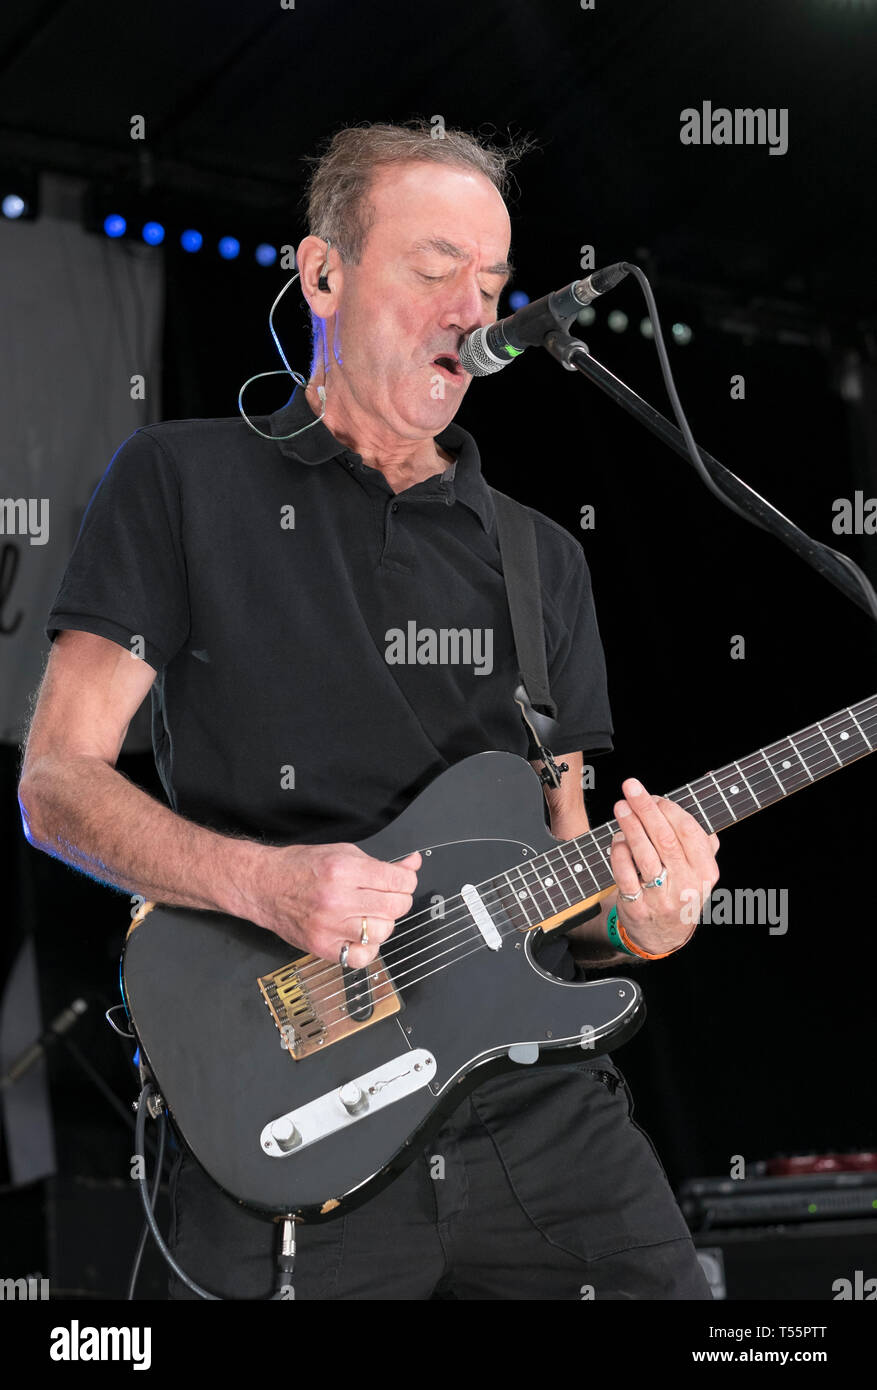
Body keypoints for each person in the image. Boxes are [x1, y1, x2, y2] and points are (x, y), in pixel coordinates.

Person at [18, 120, 720, 1300]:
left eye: (492, 284)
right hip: (293, 1093)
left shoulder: (541, 560)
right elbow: (55, 784)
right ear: (324, 273)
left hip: (534, 1116)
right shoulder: (180, 481)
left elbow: (568, 889)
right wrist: (262, 882)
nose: (470, 308)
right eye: (433, 266)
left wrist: (643, 922)